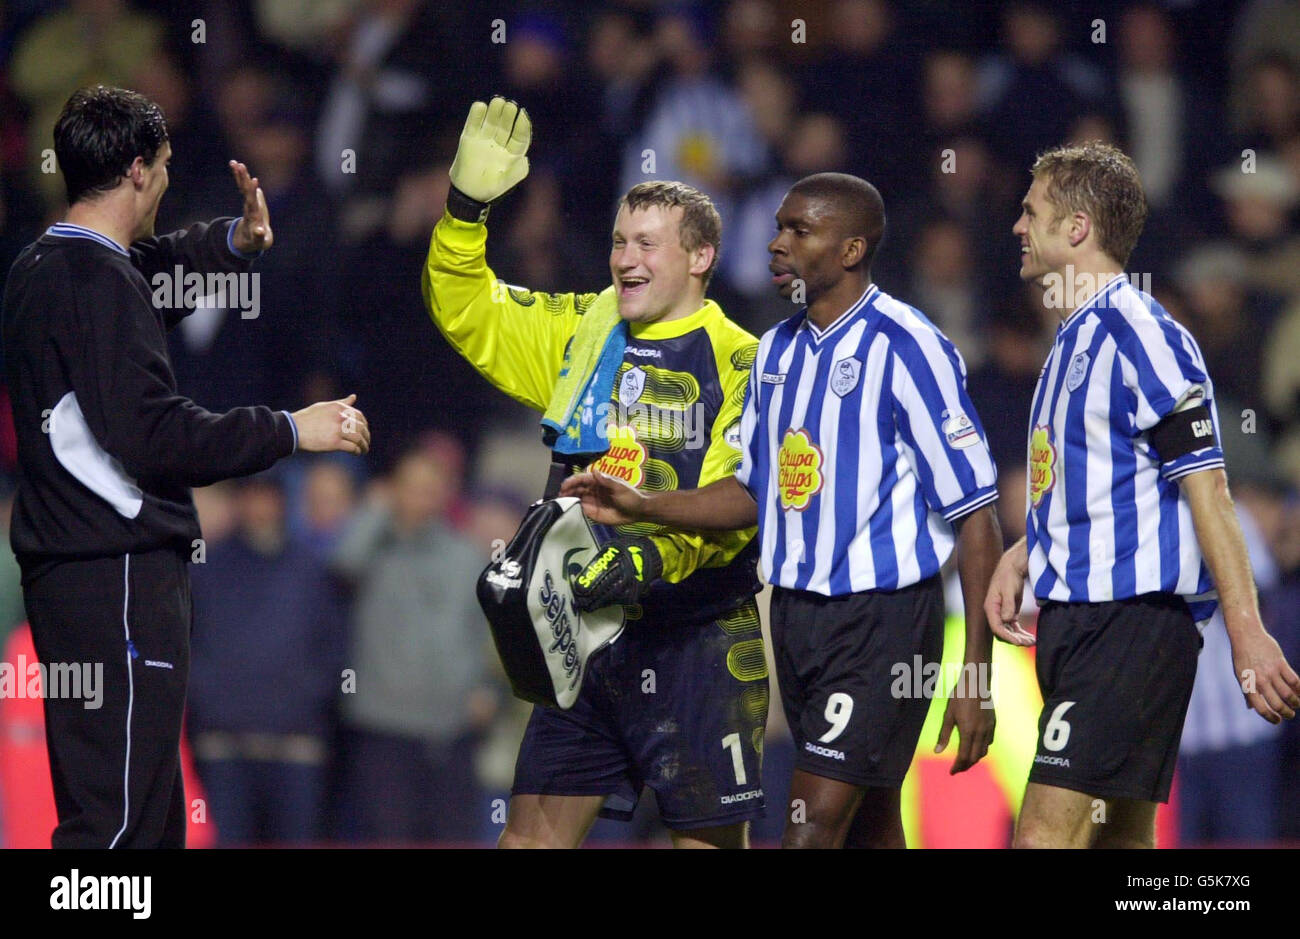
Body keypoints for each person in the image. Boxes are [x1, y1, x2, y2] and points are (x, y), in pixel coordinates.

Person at [564, 171, 1005, 849]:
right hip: (798, 619)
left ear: (852, 249)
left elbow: (977, 514)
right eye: (777, 227)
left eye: (799, 230)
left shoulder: (906, 346)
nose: (776, 244)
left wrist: (976, 677)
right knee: (871, 826)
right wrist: (648, 503)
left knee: (808, 826)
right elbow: (750, 493)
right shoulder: (773, 354)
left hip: (880, 621)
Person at [1, 85, 369, 849]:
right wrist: (290, 430)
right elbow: (156, 433)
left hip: (78, 570)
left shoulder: (44, 266)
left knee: (147, 820)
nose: (168, 180)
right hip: (121, 573)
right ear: (138, 170)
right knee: (118, 829)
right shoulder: (96, 282)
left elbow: (146, 274)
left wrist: (233, 243)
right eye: (164, 165)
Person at [422, 97, 767, 848]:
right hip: (583, 636)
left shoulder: (744, 361)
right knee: (525, 842)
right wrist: (465, 209)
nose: (625, 258)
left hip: (698, 640)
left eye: (647, 242)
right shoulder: (582, 329)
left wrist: (645, 554)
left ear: (701, 256)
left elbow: (736, 500)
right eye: (617, 241)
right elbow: (467, 309)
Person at [983, 141, 1300, 849]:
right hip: (1084, 626)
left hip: (1126, 625)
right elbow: (1102, 484)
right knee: (1118, 841)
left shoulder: (1144, 335)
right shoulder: (1070, 340)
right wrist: (1025, 551)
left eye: (1030, 211)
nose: (1016, 226)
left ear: (1077, 228)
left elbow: (1209, 486)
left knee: (1042, 835)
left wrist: (1245, 634)